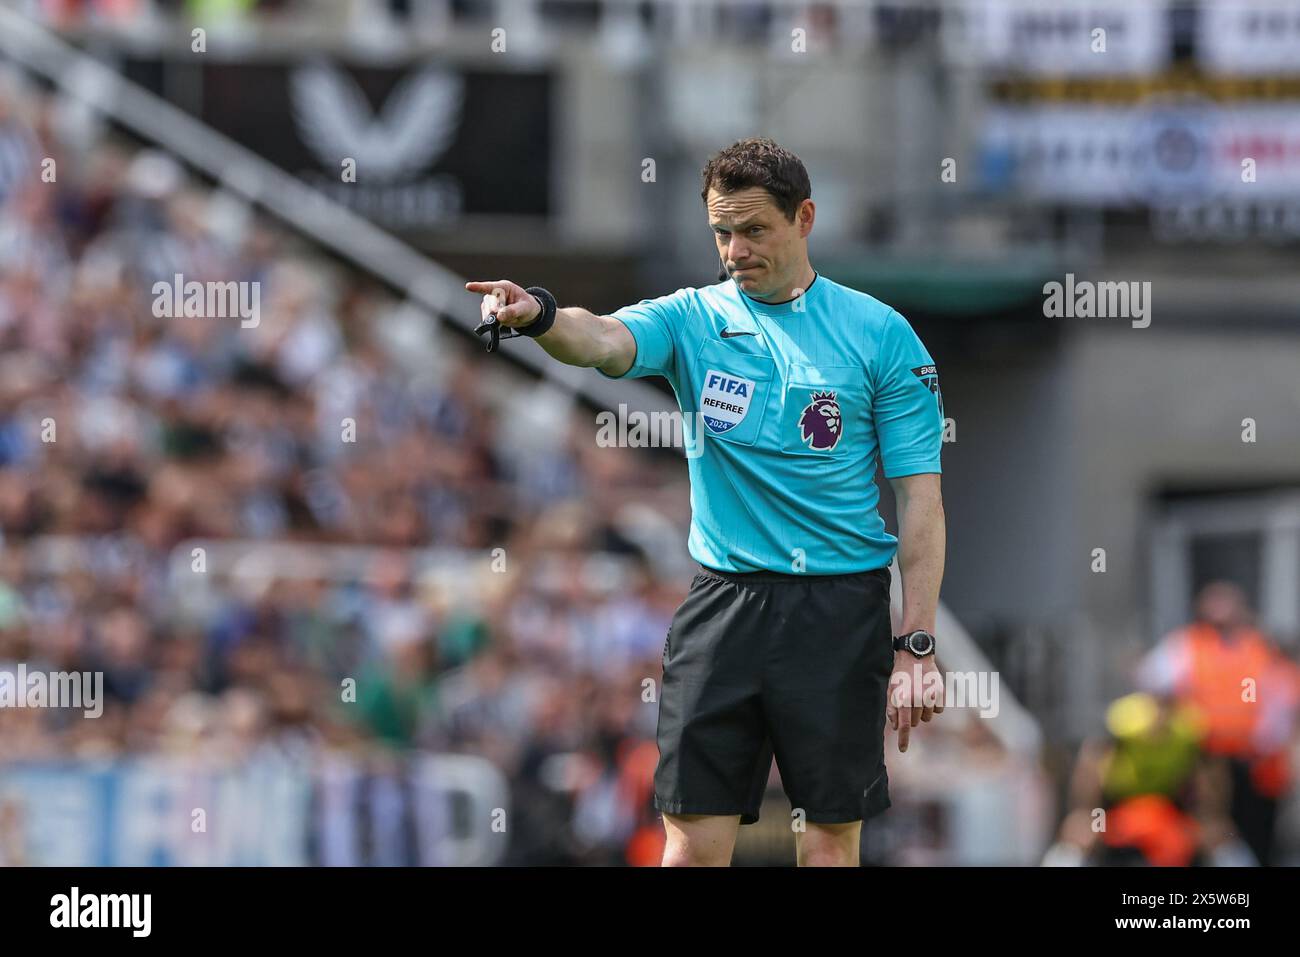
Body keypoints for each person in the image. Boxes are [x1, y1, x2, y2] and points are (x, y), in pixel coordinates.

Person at [464, 137, 946, 866]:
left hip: (839, 610)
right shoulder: (692, 318)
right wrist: (539, 315)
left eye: (754, 229)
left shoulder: (880, 335)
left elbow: (920, 504)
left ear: (804, 217)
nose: (734, 249)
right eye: (721, 231)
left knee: (828, 840)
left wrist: (915, 645)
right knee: (689, 842)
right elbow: (600, 340)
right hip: (724, 607)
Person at [1136, 580, 1300, 866]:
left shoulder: (1261, 646)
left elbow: (1282, 697)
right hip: (1207, 760)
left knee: (1259, 835)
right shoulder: (1188, 644)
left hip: (1256, 763)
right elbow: (1151, 680)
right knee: (1210, 832)